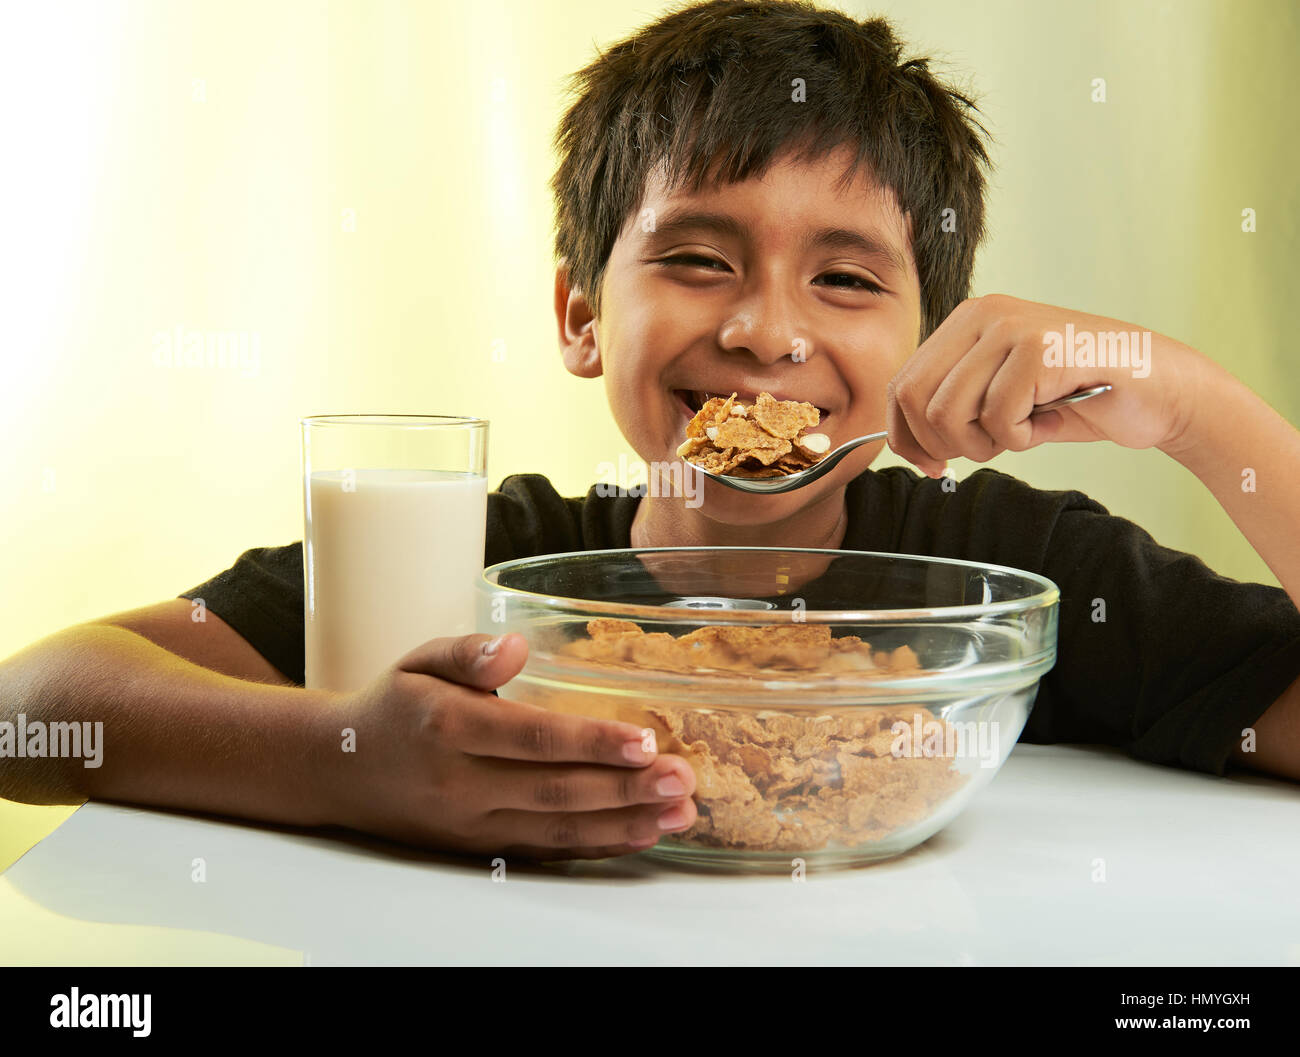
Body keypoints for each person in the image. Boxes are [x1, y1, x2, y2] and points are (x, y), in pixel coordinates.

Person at [4, 0, 1298, 862]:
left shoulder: (1015, 576)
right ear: (580, 315)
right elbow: (29, 716)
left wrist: (1194, 404)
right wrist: (352, 762)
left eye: (846, 279)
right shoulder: (475, 563)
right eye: (695, 256)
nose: (768, 333)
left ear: (930, 335)